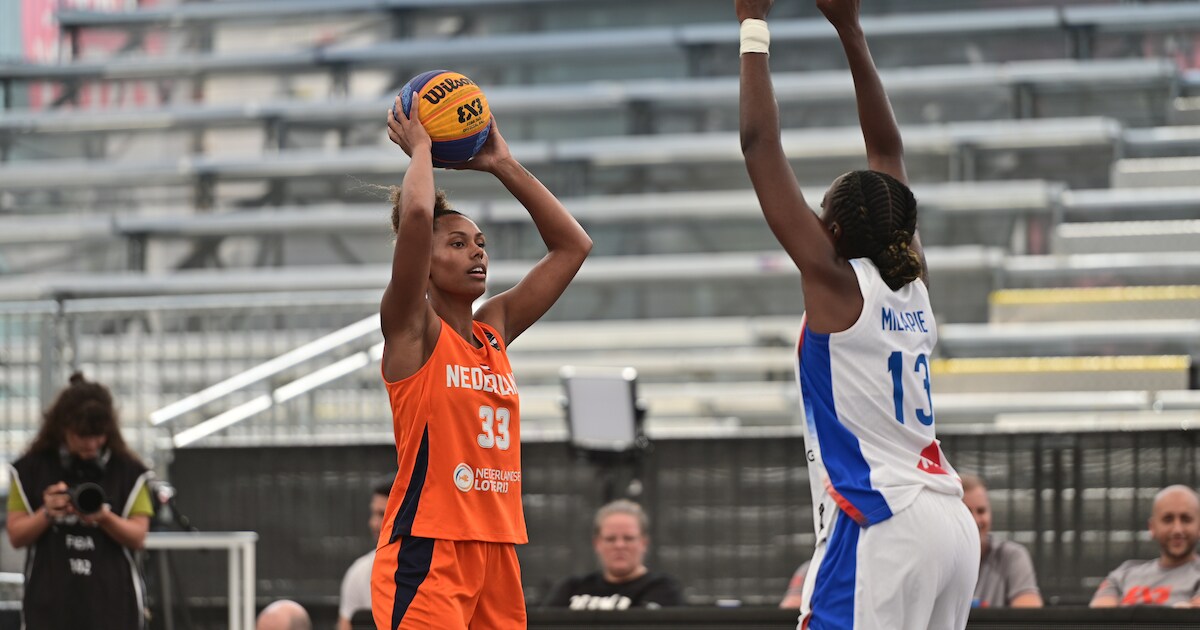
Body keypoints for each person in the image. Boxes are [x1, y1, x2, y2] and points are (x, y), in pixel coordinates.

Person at [737, 1, 979, 628]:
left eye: (820, 214)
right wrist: (850, 27)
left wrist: (752, 25)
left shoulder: (837, 284)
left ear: (835, 231)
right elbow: (887, 150)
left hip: (882, 519)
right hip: (949, 522)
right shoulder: (911, 280)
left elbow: (760, 145)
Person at [373, 96, 592, 630]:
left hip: (497, 549)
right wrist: (421, 148)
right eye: (457, 243)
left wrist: (502, 164)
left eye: (481, 243)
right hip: (430, 546)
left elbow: (573, 247)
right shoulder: (412, 328)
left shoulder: (493, 330)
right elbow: (419, 214)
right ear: (423, 259)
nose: (477, 252)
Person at [5, 372, 154, 630]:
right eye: (82, 436)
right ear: (63, 429)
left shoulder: (129, 472)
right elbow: (16, 536)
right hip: (49, 609)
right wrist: (47, 512)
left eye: (99, 436)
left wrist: (104, 517)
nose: (92, 444)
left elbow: (139, 536)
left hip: (114, 607)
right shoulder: (31, 470)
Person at [542, 499, 683, 610]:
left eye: (628, 538)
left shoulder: (662, 590)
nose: (619, 545)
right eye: (610, 539)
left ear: (644, 543)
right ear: (597, 543)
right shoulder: (570, 588)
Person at [1090, 485, 1200, 608]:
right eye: (1168, 519)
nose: (1177, 530)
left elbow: (1192, 618)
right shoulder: (1123, 575)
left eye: (1186, 519)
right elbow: (1101, 618)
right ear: (1152, 527)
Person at [961, 474, 1042, 608]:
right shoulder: (938, 559)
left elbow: (1030, 617)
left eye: (981, 511)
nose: (975, 520)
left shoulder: (1011, 556)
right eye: (967, 512)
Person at [337, 479, 391, 630]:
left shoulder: (433, 568)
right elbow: (345, 625)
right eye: (373, 513)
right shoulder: (359, 572)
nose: (373, 523)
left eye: (382, 514)